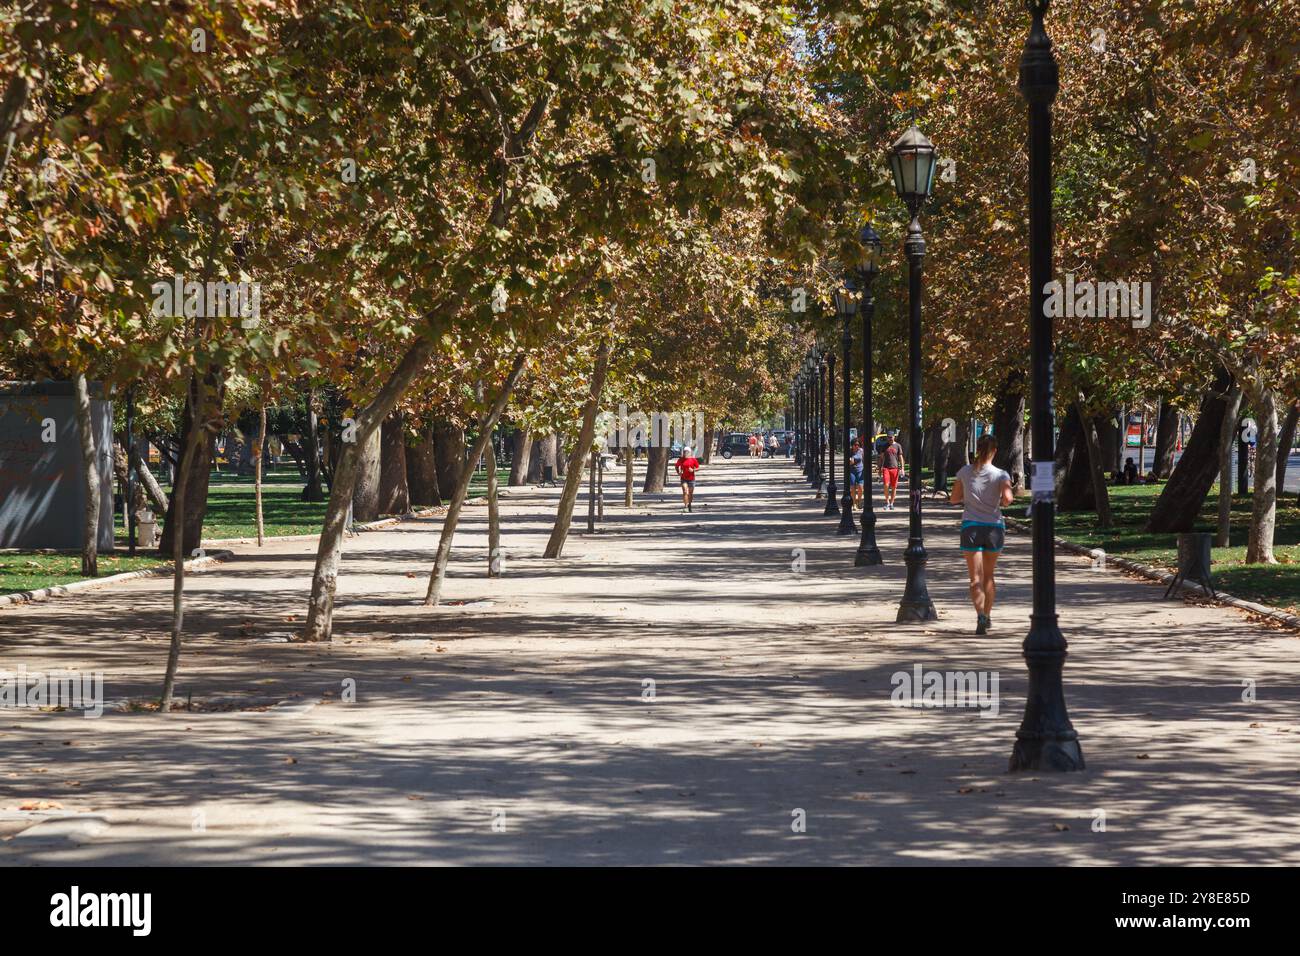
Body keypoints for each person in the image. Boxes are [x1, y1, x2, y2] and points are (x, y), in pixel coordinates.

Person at [950, 433, 1014, 635]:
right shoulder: (1001, 475)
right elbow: (1008, 499)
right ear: (994, 451)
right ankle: (988, 614)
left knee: (974, 578)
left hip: (971, 526)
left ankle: (980, 616)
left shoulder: (964, 472)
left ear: (978, 449)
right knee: (989, 575)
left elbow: (954, 499)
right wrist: (998, 499)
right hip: (994, 527)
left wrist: (970, 497)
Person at [879, 433, 904, 511]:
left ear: (894, 437)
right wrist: (879, 467)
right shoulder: (884, 446)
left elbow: (900, 457)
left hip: (895, 468)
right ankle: (887, 502)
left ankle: (892, 503)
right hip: (886, 468)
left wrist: (902, 468)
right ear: (887, 438)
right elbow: (881, 457)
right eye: (889, 437)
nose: (890, 439)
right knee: (886, 485)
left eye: (891, 437)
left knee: (894, 487)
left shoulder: (898, 446)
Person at [674, 445, 701, 513]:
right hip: (684, 478)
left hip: (691, 479)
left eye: (687, 452)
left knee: (690, 494)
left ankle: (690, 505)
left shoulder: (693, 459)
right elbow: (677, 466)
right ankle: (686, 506)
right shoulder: (681, 459)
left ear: (690, 452)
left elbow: (698, 468)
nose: (685, 453)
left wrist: (693, 470)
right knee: (685, 491)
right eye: (684, 452)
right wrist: (678, 472)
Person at [849, 438, 866, 508]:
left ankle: (859, 500)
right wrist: (850, 462)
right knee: (852, 488)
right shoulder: (850, 452)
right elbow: (848, 463)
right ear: (852, 445)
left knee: (861, 488)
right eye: (855, 445)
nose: (857, 446)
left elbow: (864, 459)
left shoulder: (861, 451)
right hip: (852, 471)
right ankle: (854, 503)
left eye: (858, 445)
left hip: (860, 471)